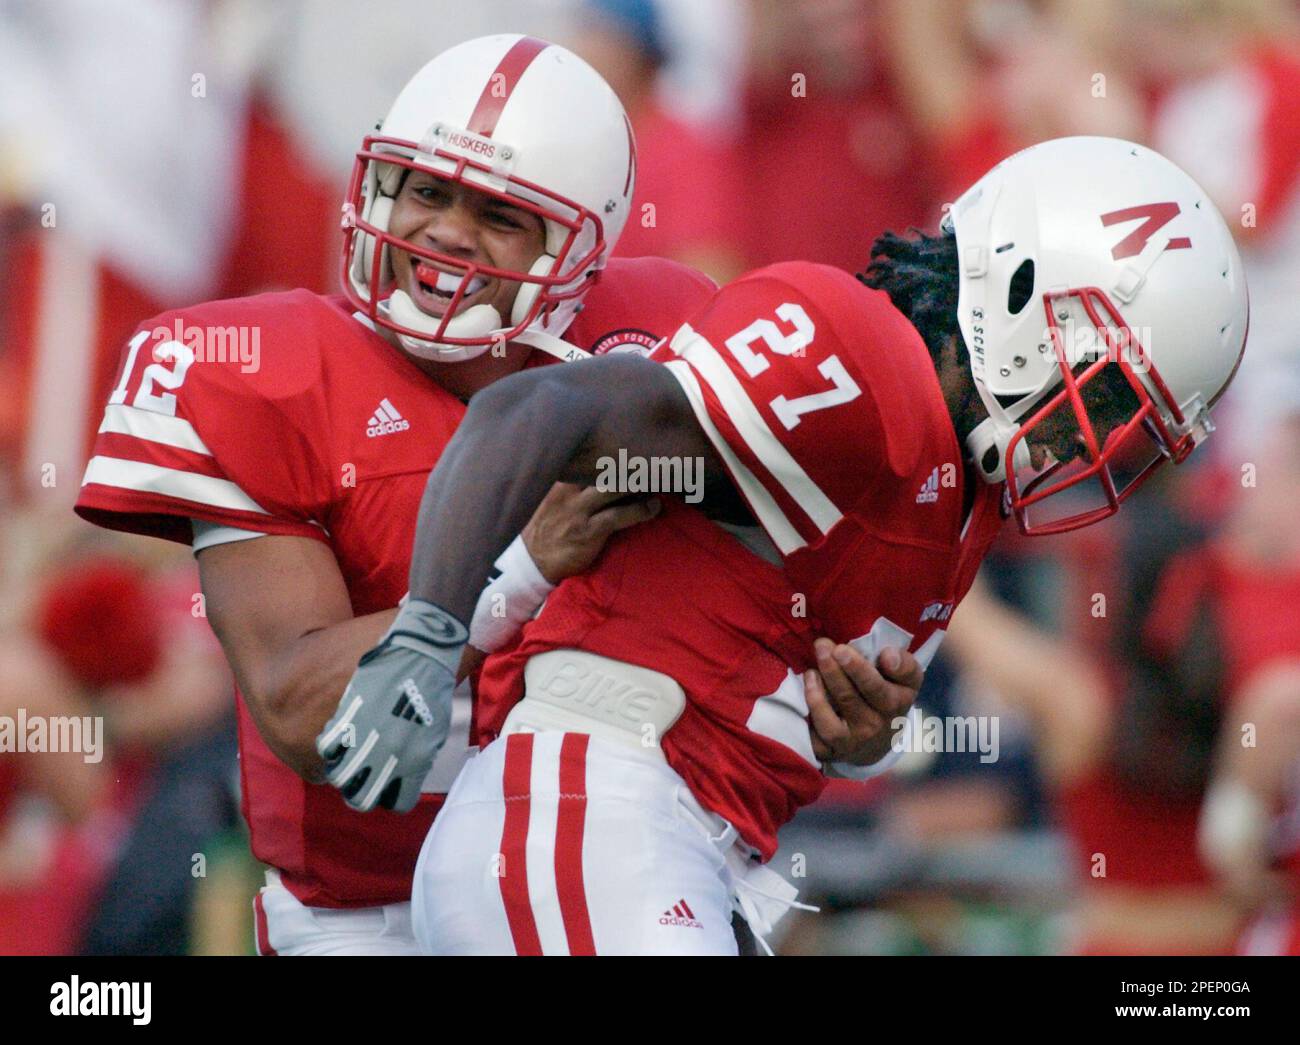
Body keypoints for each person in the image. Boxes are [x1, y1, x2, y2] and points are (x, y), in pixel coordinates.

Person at [322, 134, 1250, 955]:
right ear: (1023, 292)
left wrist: (858, 738)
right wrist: (427, 629)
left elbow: (772, 670)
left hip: (682, 850)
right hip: (594, 803)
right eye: (1113, 397)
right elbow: (538, 407)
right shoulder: (862, 358)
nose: (1098, 444)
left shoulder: (961, 493)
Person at [71, 34, 710, 956]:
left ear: (576, 253)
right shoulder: (260, 372)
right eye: (427, 192)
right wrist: (518, 570)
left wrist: (840, 702)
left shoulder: (659, 345)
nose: (446, 231)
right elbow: (301, 709)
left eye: (498, 212)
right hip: (369, 918)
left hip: (613, 883)